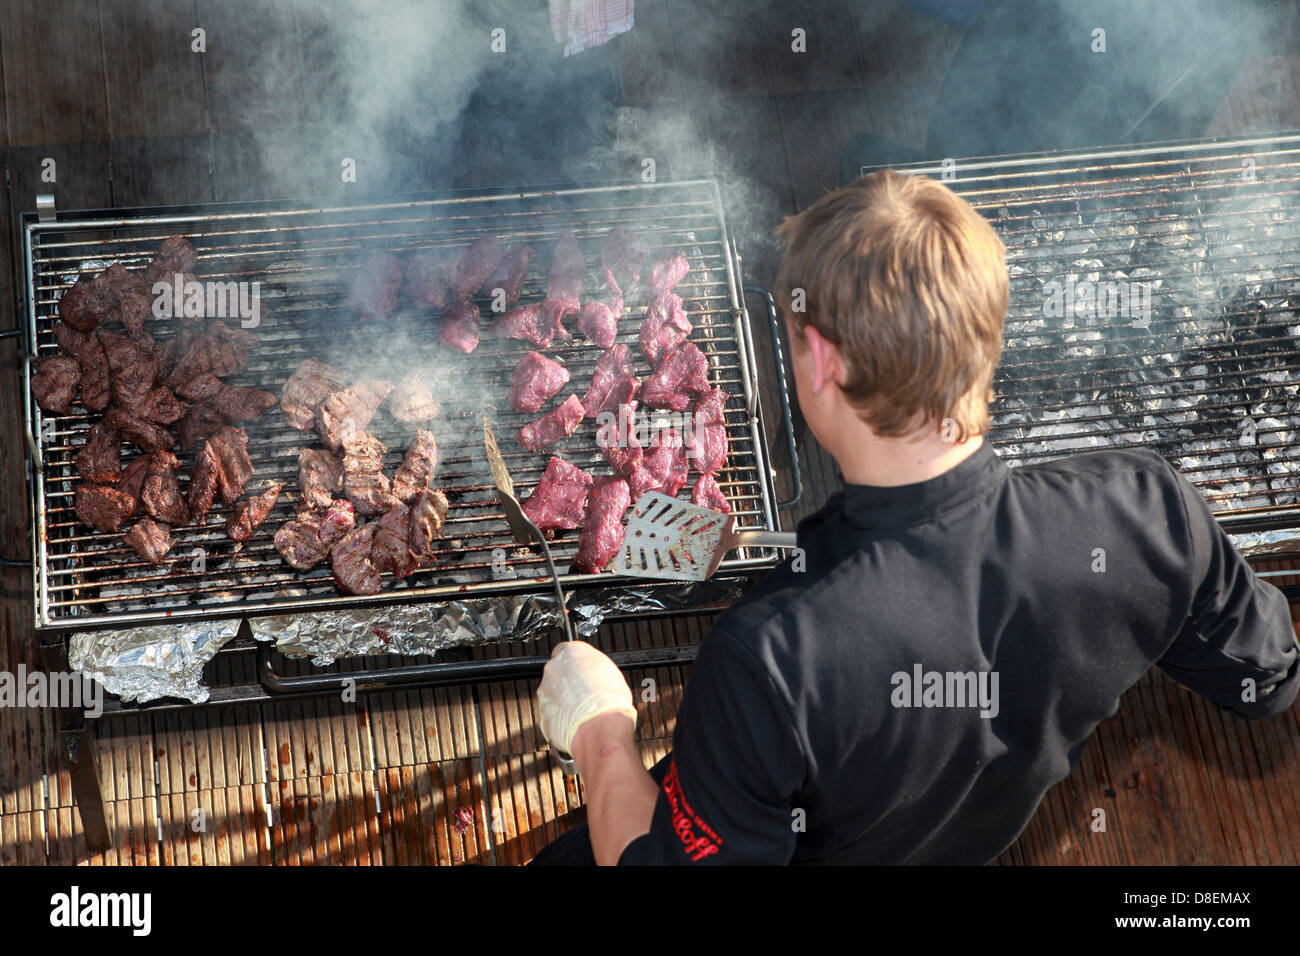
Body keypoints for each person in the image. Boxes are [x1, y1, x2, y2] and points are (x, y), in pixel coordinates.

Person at [529, 169, 1300, 866]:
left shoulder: (766, 659)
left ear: (822, 362)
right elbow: (1265, 681)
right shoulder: (1146, 509)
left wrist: (601, 733)